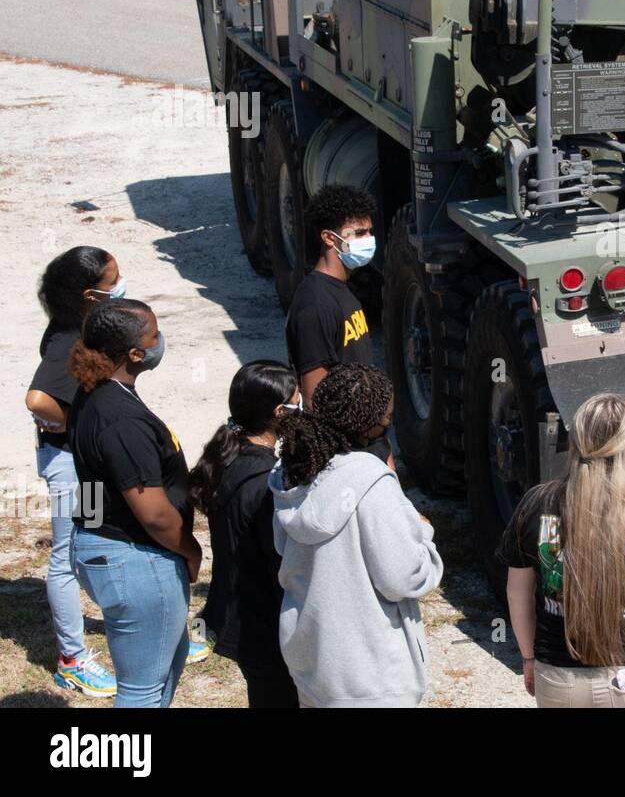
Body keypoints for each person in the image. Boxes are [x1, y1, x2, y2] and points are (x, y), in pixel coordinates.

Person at [499, 393, 625, 709]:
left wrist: (529, 658)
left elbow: (518, 594)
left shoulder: (535, 504)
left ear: (575, 440)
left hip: (559, 679)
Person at [269, 363, 443, 707]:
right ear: (371, 423)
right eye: (388, 416)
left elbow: (282, 545)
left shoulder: (292, 471)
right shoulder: (373, 482)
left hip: (314, 663)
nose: (389, 423)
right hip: (371, 676)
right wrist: (423, 534)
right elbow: (401, 577)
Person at [66, 298, 200, 708]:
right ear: (135, 353)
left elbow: (88, 479)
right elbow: (155, 515)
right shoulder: (121, 418)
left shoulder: (92, 395)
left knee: (166, 665)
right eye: (154, 336)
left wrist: (89, 536)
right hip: (137, 560)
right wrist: (190, 552)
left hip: (109, 549)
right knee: (142, 690)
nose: (161, 342)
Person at [25, 246, 122, 696]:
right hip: (68, 464)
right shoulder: (69, 341)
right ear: (89, 294)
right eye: (112, 284)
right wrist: (72, 424)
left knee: (93, 540)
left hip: (81, 460)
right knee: (66, 557)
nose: (120, 288)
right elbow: (37, 399)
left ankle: (124, 621)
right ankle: (71, 658)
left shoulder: (78, 324)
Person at [190, 361, 301, 708]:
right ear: (280, 412)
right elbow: (279, 562)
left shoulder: (228, 458)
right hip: (266, 624)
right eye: (297, 404)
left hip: (240, 615)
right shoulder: (265, 481)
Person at [284, 184, 378, 411]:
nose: (369, 240)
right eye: (359, 233)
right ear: (328, 238)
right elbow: (314, 399)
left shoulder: (341, 288)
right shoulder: (315, 305)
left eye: (369, 231)